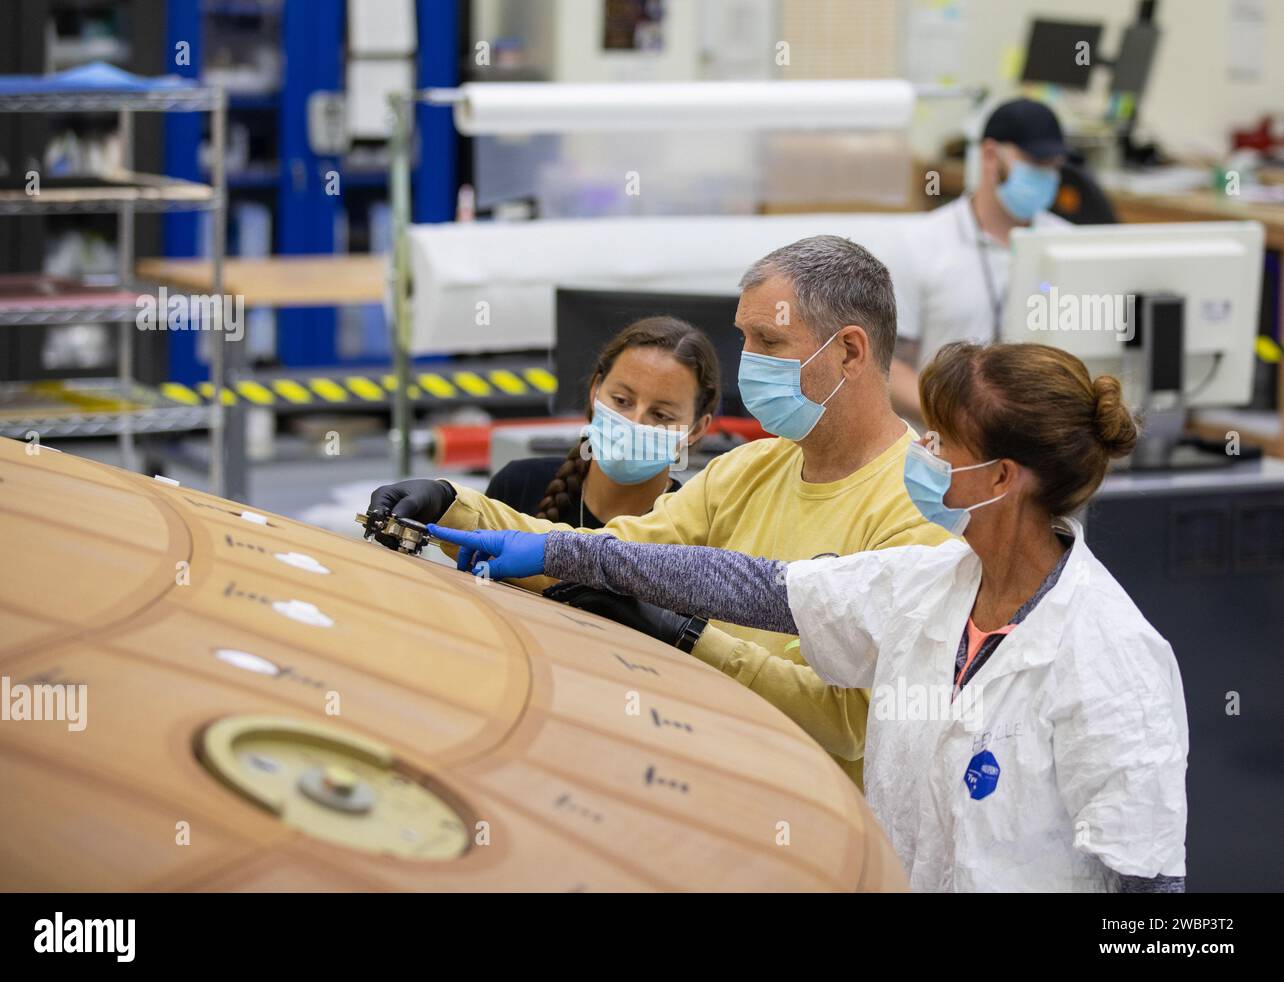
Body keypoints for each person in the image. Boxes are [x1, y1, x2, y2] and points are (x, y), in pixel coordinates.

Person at [426, 341, 1189, 893]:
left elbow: (1159, 906)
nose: (918, 452)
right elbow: (758, 588)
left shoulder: (1110, 657)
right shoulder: (931, 585)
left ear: (999, 477)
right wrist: (563, 552)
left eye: (939, 441)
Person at [367, 235, 953, 789]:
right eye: (743, 339)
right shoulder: (747, 470)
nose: (748, 364)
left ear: (849, 351)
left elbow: (852, 724)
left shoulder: (920, 510)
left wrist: (683, 633)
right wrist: (455, 505)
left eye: (769, 344)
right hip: (700, 778)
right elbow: (613, 553)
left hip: (811, 820)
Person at [891, 98, 1071, 423]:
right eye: (1035, 162)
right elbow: (889, 368)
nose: (1046, 176)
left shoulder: (1069, 246)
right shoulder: (920, 245)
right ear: (990, 155)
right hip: (945, 444)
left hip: (1042, 445)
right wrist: (961, 420)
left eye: (1054, 165)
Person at [485, 317, 718, 529]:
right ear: (596, 389)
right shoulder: (517, 486)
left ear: (696, 429)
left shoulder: (692, 534)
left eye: (661, 415)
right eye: (622, 400)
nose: (634, 423)